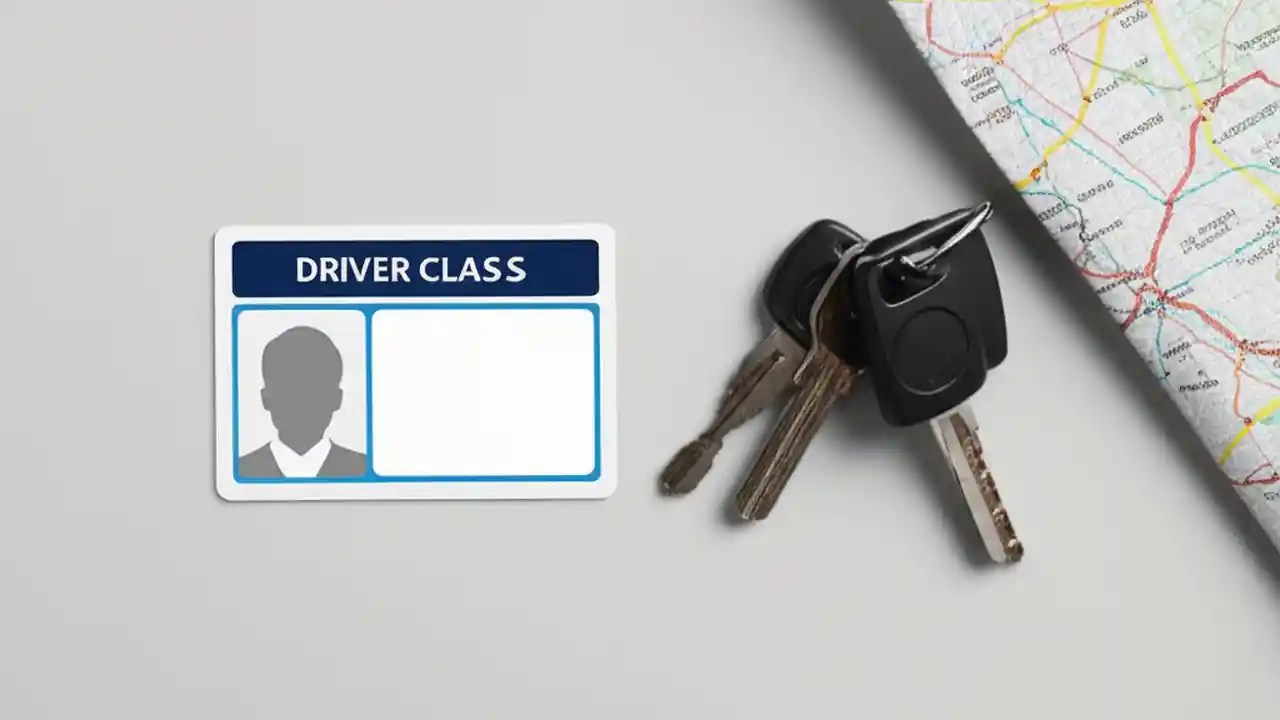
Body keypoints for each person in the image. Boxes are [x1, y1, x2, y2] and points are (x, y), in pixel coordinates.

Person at [238, 325, 367, 478]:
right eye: (289, 389)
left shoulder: (364, 469)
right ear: (266, 398)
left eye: (313, 389)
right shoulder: (239, 471)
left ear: (336, 398)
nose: (301, 406)